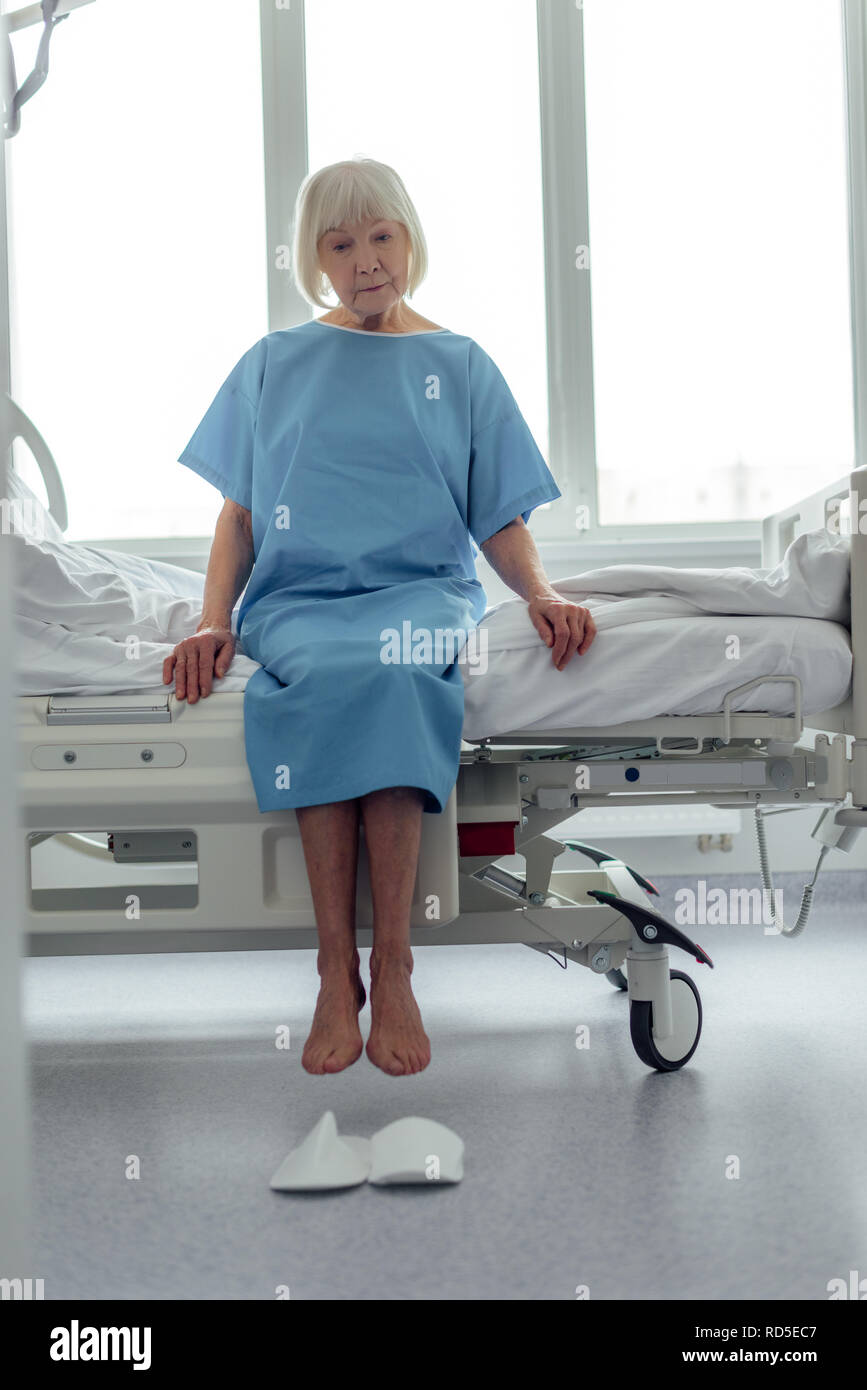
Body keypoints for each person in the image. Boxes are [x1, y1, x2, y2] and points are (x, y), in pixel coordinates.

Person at [163, 158, 596, 1078]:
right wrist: (214, 621)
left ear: (409, 239)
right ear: (314, 259)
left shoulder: (461, 364)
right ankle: (333, 969)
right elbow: (239, 516)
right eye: (340, 243)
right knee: (326, 674)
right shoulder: (274, 363)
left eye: (380, 237)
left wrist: (543, 595)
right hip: (303, 599)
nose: (365, 260)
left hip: (418, 593)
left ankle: (393, 966)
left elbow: (499, 517)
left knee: (395, 672)